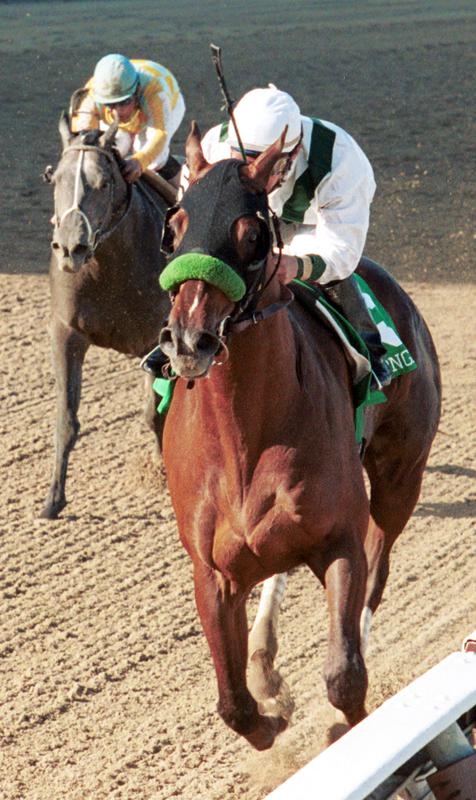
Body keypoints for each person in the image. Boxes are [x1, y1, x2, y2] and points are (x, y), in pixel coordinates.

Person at [196, 84, 391, 388]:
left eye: (266, 166)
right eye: (243, 164)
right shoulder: (213, 146)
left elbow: (341, 251)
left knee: (323, 270)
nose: (255, 177)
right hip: (249, 216)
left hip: (313, 221)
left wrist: (295, 266)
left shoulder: (340, 161)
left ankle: (368, 348)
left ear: (294, 152)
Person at [71, 53, 185, 185]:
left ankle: (186, 192)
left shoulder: (155, 91)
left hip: (169, 103)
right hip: (129, 112)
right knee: (110, 152)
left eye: (124, 102)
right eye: (110, 105)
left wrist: (140, 160)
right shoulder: (89, 96)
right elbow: (82, 142)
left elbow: (160, 134)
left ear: (137, 90)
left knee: (154, 159)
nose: (118, 112)